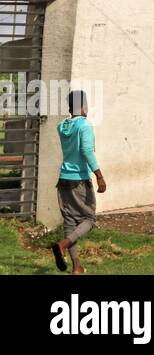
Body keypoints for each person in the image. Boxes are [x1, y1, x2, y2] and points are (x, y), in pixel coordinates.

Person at [50, 90, 106, 274]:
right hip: (80, 181)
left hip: (63, 180)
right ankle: (63, 244)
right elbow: (87, 151)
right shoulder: (85, 126)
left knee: (70, 221)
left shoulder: (61, 126)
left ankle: (76, 267)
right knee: (89, 219)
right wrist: (99, 176)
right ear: (82, 107)